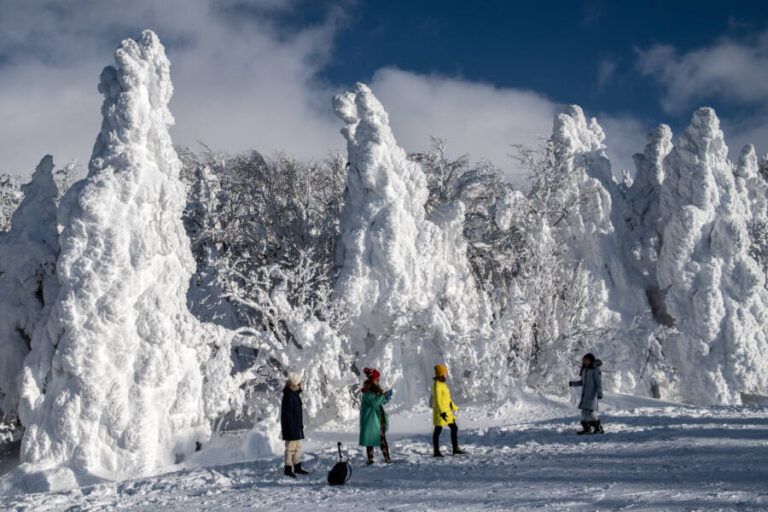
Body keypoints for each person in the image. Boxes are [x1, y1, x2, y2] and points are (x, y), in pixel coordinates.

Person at [359, 367, 393, 464]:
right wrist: (384, 396)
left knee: (379, 439)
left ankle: (382, 459)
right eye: (377, 379)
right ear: (373, 379)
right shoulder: (368, 390)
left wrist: (386, 398)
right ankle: (377, 459)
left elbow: (378, 401)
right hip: (371, 419)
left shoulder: (373, 389)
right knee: (376, 439)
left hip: (377, 418)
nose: (379, 381)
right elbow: (374, 402)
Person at [432, 364, 465, 456]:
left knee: (454, 428)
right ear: (441, 374)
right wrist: (442, 412)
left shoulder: (442, 384)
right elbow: (438, 400)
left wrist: (454, 407)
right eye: (445, 373)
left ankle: (455, 449)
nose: (446, 375)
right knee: (438, 430)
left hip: (447, 411)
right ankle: (436, 452)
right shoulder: (437, 385)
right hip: (440, 412)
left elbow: (448, 398)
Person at [281, 372, 309, 477]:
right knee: (290, 447)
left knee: (297, 447)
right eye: (299, 383)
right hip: (291, 427)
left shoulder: (294, 394)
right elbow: (287, 415)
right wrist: (291, 428)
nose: (301, 384)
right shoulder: (289, 395)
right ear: (295, 383)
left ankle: (297, 466)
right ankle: (288, 468)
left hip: (296, 426)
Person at [568, 353, 604, 435]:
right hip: (585, 395)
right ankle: (597, 428)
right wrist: (573, 384)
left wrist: (599, 393)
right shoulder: (584, 370)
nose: (584, 362)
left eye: (586, 360)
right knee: (591, 412)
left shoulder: (595, 370)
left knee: (585, 412)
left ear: (591, 360)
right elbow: (582, 382)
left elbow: (599, 383)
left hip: (592, 395)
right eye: (584, 360)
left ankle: (588, 429)